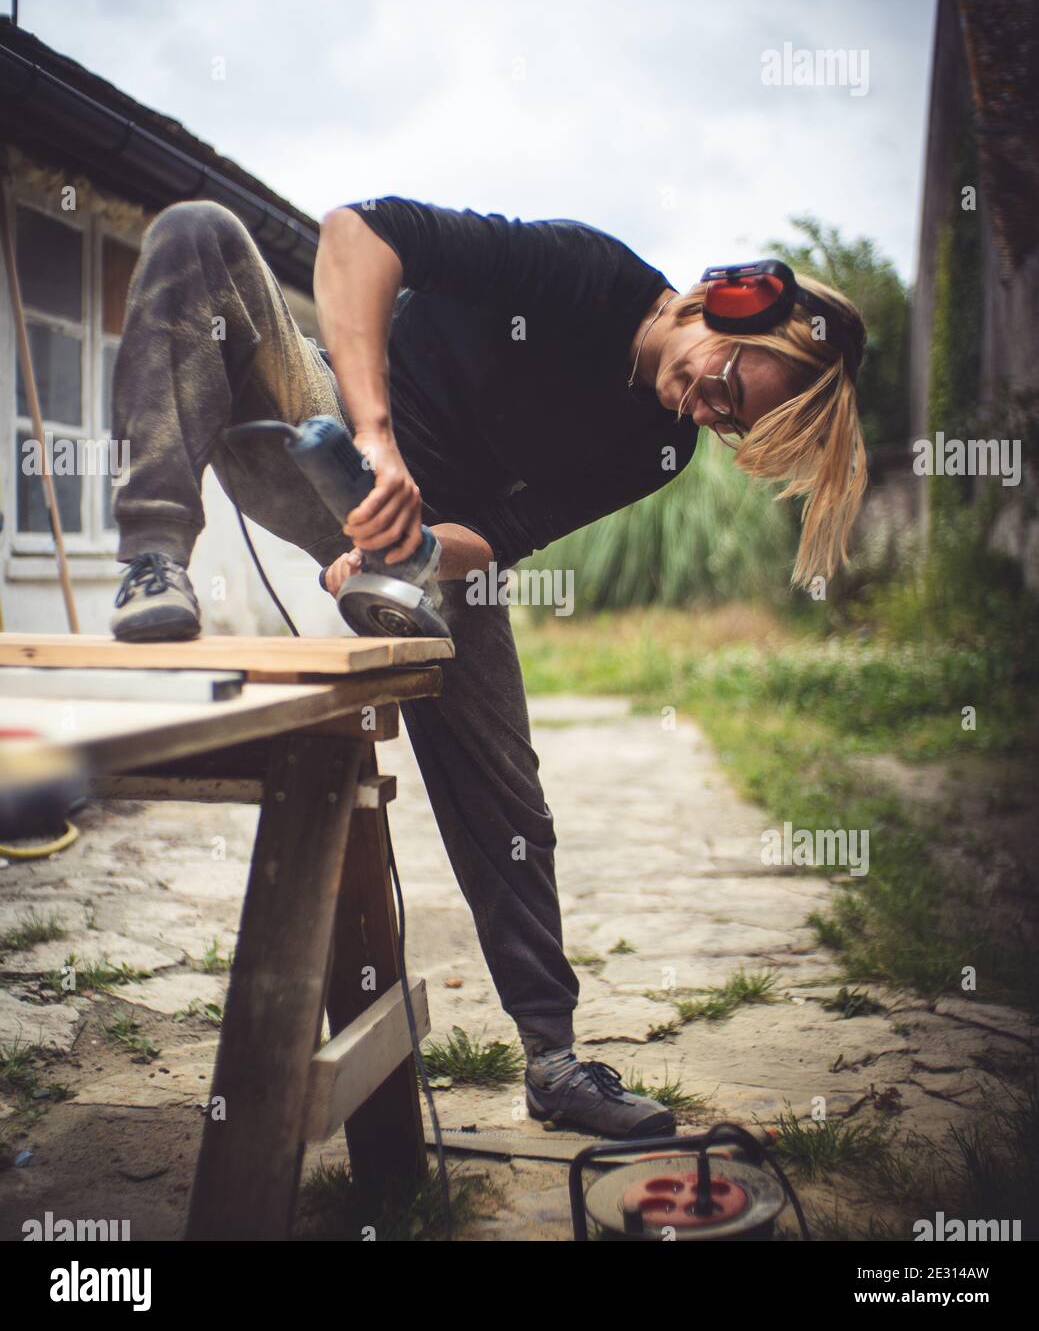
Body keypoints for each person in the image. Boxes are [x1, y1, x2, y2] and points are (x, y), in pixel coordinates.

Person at [108, 196, 867, 1138]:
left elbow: (501, 536)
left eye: (726, 421)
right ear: (731, 299)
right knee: (197, 232)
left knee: (506, 799)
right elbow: (358, 235)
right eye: (725, 384)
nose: (699, 409)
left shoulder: (660, 444)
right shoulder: (586, 274)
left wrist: (416, 548)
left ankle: (552, 1060)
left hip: (418, 543)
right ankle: (152, 557)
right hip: (327, 428)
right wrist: (377, 447)